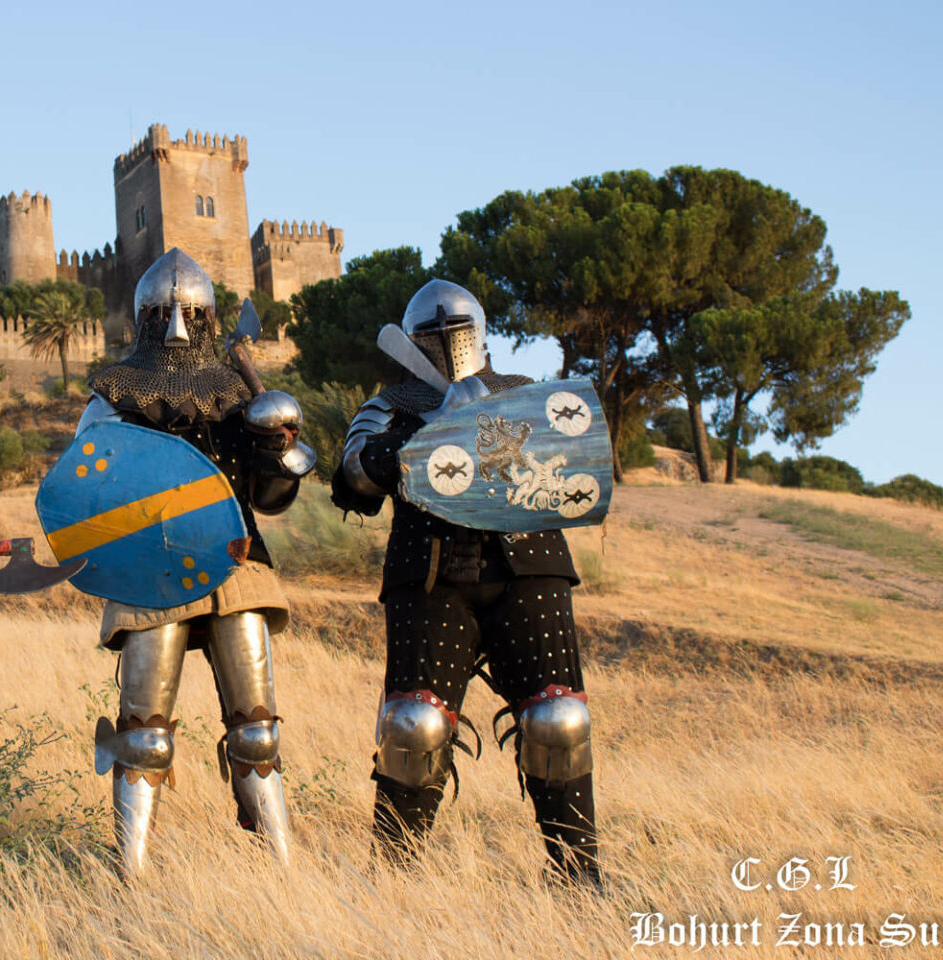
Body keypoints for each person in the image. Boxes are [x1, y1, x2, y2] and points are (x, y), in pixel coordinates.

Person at [331, 279, 599, 884]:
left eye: (458, 333)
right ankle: (394, 883)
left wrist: (483, 409)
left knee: (560, 721)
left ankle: (580, 881)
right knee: (412, 726)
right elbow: (353, 482)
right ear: (412, 342)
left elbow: (575, 467)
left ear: (481, 335)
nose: (448, 344)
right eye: (431, 336)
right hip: (430, 574)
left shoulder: (529, 395)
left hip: (527, 567)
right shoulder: (390, 406)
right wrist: (425, 429)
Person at [79, 248, 314, 876]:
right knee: (144, 736)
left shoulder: (239, 394)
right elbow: (85, 492)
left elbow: (271, 499)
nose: (178, 329)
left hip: (238, 565)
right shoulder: (113, 395)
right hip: (148, 573)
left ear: (209, 320)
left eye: (188, 314)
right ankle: (131, 870)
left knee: (257, 731)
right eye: (163, 315)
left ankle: (282, 865)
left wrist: (276, 449)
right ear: (141, 321)